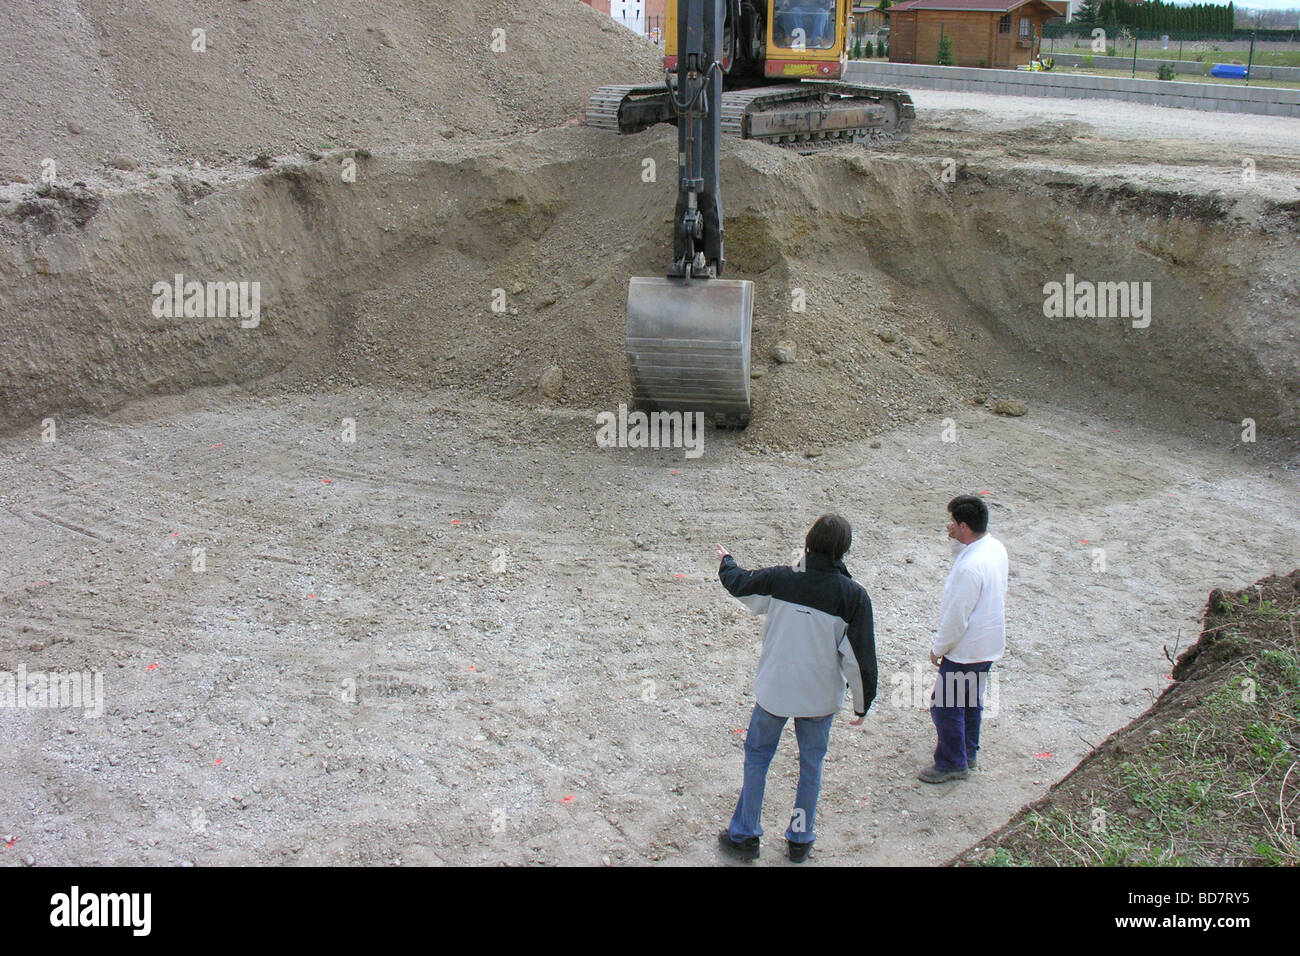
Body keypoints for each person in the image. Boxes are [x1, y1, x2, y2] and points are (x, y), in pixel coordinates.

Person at [715, 514, 877, 863]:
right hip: (819, 697)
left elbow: (740, 583)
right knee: (811, 765)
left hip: (776, 690)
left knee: (758, 758)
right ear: (843, 551)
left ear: (809, 541)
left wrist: (726, 561)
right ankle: (800, 838)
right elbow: (860, 660)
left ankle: (745, 834)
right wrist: (862, 705)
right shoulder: (853, 597)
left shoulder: (782, 579)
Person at [920, 495, 1008, 784]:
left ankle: (951, 762)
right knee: (970, 700)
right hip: (988, 645)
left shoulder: (969, 568)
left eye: (954, 524)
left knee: (944, 705)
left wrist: (938, 648)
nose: (950, 528)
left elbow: (957, 617)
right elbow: (965, 556)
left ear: (965, 526)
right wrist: (956, 542)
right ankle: (968, 751)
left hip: (966, 649)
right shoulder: (994, 548)